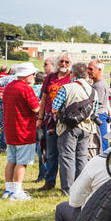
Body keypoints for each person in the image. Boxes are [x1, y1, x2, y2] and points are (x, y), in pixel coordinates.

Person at [52, 62, 97, 193]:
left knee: (67, 157)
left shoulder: (66, 88)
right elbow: (95, 111)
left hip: (68, 126)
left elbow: (54, 108)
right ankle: (81, 188)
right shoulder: (93, 90)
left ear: (73, 73)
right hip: (87, 127)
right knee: (82, 157)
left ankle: (68, 189)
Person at [2, 63, 41, 201]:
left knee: (11, 161)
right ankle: (17, 191)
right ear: (28, 75)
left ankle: (8, 189)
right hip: (24, 130)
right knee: (22, 162)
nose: (34, 77)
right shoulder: (26, 89)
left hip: (10, 129)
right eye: (33, 74)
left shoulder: (9, 87)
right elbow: (36, 108)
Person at [36, 54, 73, 191]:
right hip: (49, 121)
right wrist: (40, 118)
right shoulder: (50, 77)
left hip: (66, 121)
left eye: (67, 61)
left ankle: (67, 185)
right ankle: (49, 181)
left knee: (66, 154)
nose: (64, 63)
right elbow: (44, 98)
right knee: (51, 153)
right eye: (61, 61)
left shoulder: (72, 78)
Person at [88, 59, 111, 152]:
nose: (88, 71)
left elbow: (96, 104)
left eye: (91, 69)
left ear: (99, 70)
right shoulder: (97, 83)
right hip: (101, 116)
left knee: (102, 145)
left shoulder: (99, 86)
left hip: (99, 117)